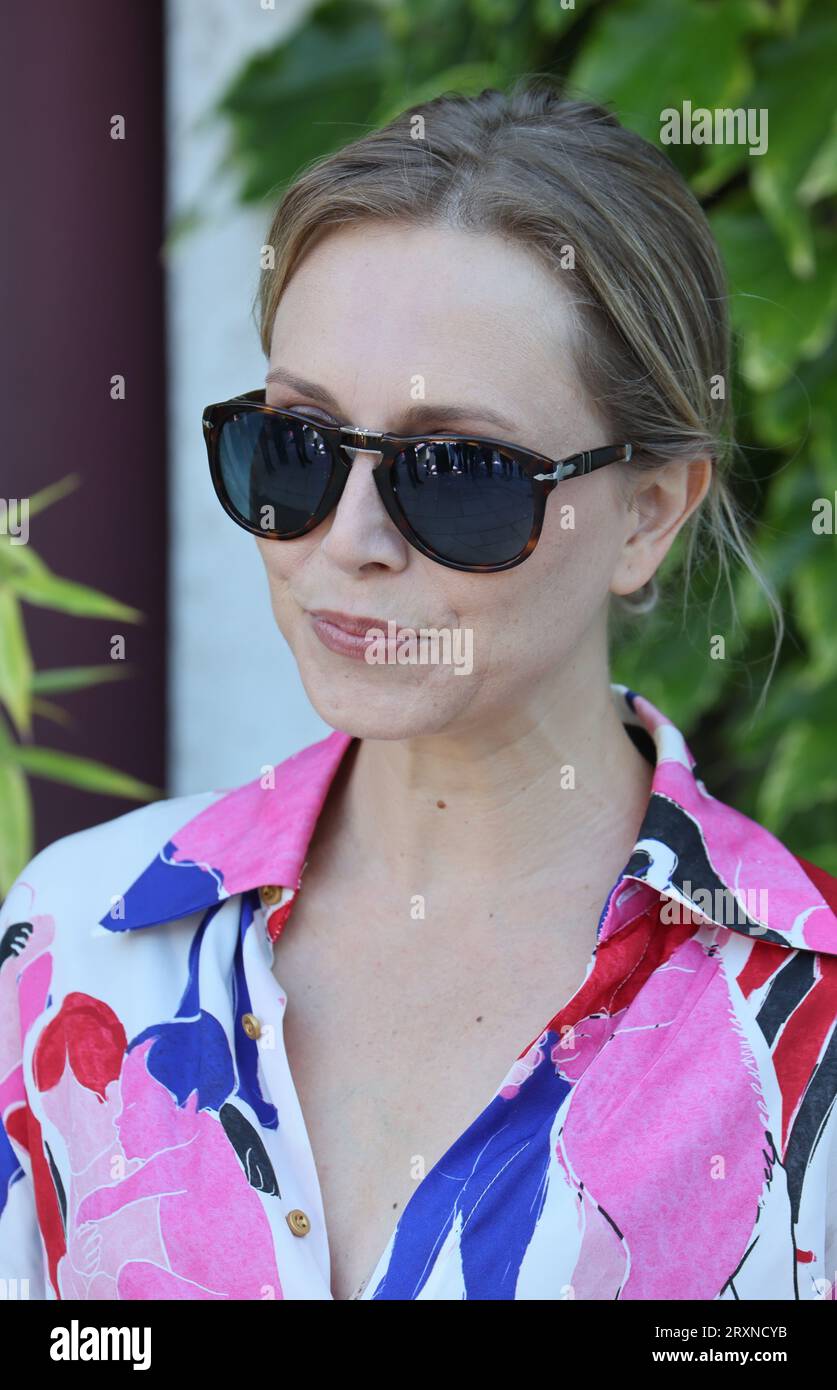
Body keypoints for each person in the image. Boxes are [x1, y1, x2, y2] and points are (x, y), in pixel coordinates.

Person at [2, 78, 836, 1303]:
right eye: (296, 444)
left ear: (649, 514)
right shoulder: (77, 939)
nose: (349, 539)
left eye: (457, 472)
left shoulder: (804, 1028)